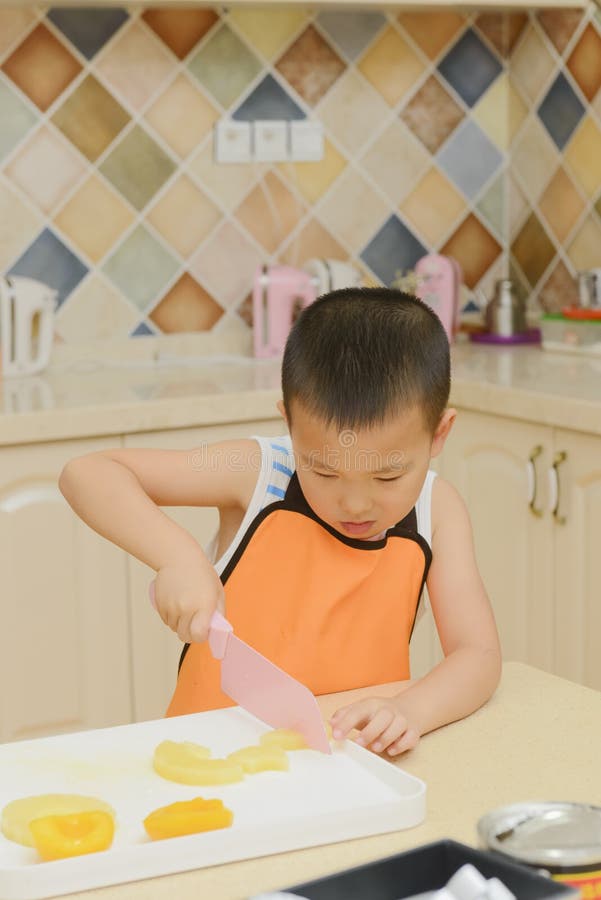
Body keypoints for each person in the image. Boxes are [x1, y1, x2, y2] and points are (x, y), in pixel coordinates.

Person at [59, 288, 501, 757]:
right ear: (289, 421)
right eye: (325, 470)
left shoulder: (439, 510)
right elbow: (87, 473)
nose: (355, 503)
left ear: (439, 434)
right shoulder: (256, 472)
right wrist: (179, 559)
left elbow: (478, 655)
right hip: (206, 760)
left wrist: (411, 710)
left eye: (388, 474)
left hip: (345, 765)